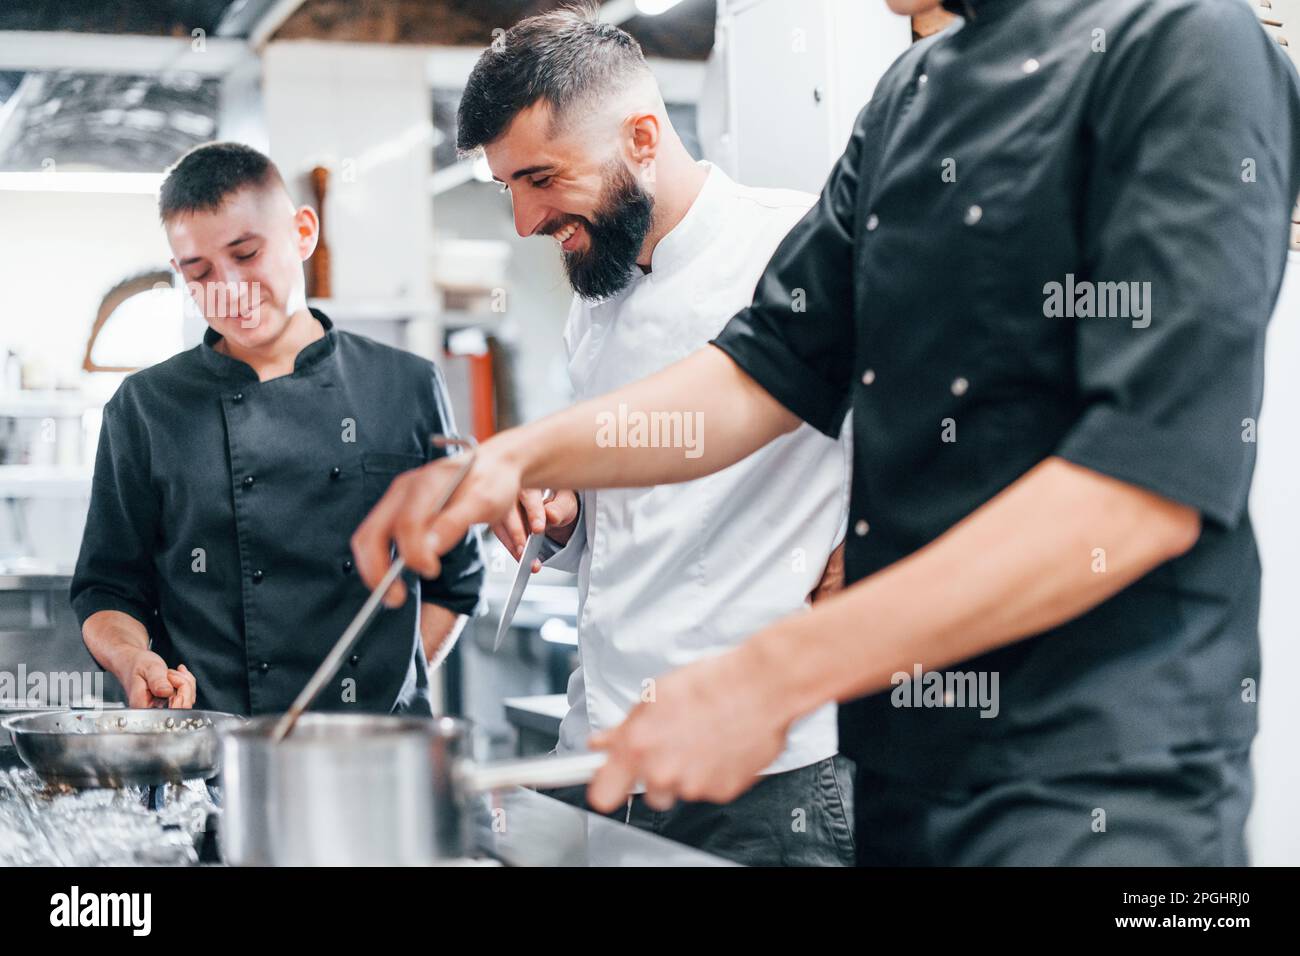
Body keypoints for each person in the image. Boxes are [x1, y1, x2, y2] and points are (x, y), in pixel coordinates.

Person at [357, 0, 1300, 865]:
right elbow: (759, 370)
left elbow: (1141, 486)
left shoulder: (1186, 44)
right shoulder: (912, 94)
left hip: (1100, 783)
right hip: (901, 768)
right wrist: (515, 457)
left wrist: (774, 672)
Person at [455, 7, 855, 866]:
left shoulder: (793, 246)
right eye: (508, 190)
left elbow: (943, 435)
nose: (525, 222)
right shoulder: (592, 305)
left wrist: (881, 543)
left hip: (764, 769)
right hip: (600, 741)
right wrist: (563, 509)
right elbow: (629, 505)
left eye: (541, 178)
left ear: (643, 136)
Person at [73, 142, 483, 717]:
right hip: (211, 763)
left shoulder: (405, 385)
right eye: (200, 272)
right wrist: (129, 656)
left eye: (246, 254)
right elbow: (108, 590)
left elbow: (454, 579)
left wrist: (391, 689)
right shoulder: (145, 408)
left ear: (302, 232)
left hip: (377, 767)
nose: (229, 289)